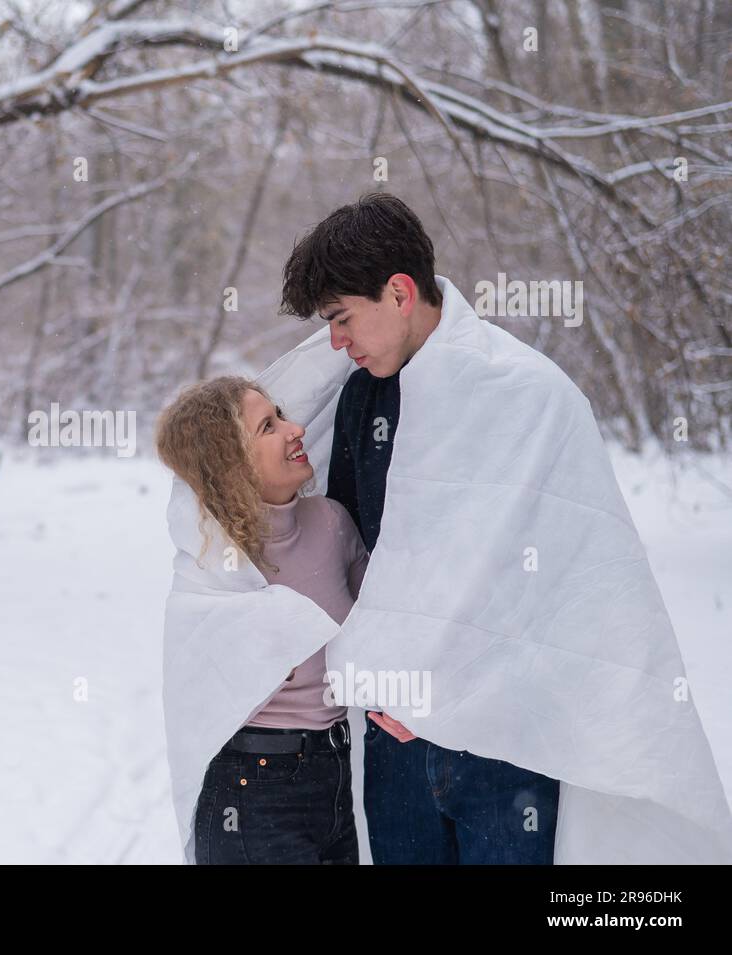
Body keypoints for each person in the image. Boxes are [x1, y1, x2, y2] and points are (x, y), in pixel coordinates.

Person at [278, 193, 560, 863]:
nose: (336, 343)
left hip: (502, 743)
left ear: (400, 292)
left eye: (342, 318)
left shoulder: (521, 392)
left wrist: (446, 688)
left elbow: (551, 576)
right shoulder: (362, 397)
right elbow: (357, 555)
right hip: (397, 744)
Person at [155, 376, 367, 864]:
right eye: (268, 426)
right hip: (252, 792)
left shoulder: (332, 523)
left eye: (282, 414)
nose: (296, 430)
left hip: (334, 773)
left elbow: (384, 623)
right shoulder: (211, 564)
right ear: (231, 463)